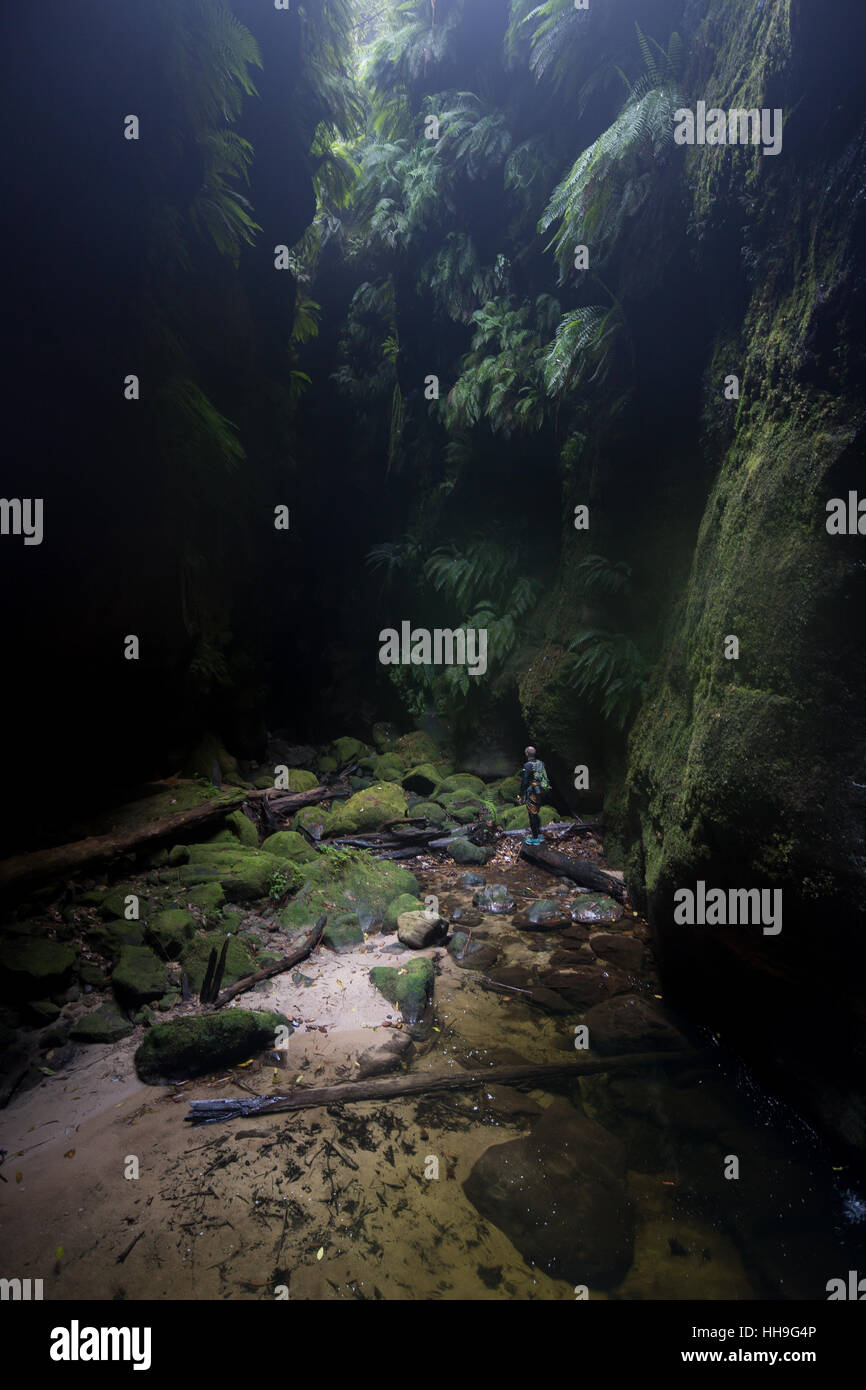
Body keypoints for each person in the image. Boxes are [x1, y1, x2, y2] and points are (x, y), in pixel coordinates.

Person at [517, 744, 550, 845]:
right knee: (536, 812)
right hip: (541, 791)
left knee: (532, 814)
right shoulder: (541, 763)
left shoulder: (527, 766)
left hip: (532, 792)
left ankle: (535, 838)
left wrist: (520, 795)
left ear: (526, 754)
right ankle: (539, 834)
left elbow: (525, 782)